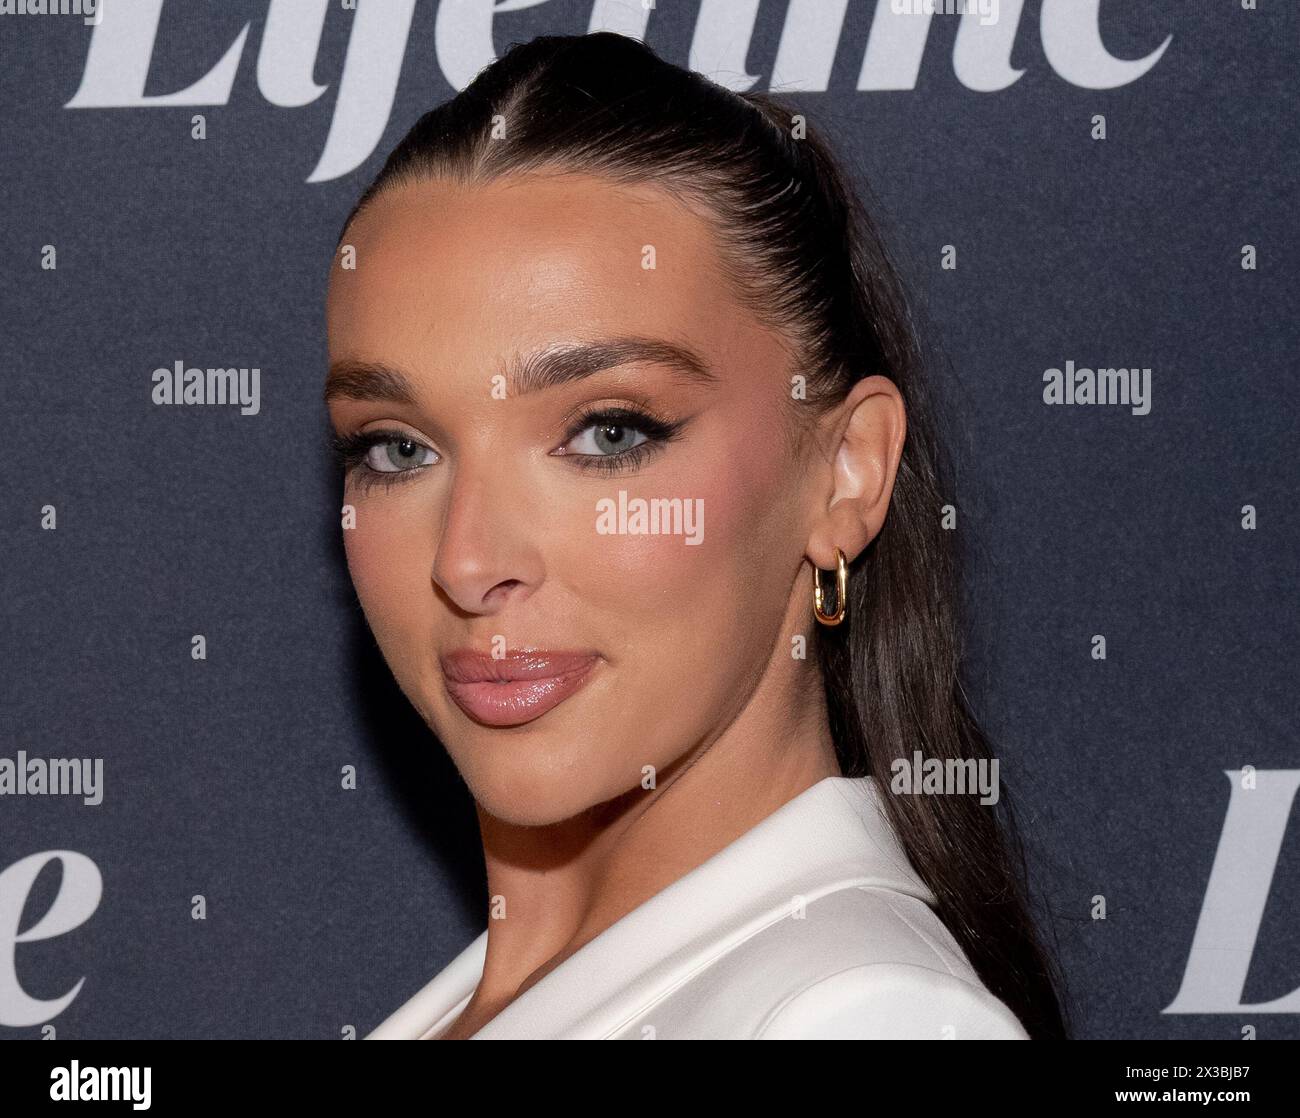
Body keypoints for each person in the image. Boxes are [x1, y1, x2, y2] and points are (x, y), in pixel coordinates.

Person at [324, 31, 1067, 1040]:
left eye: (608, 432)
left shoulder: (853, 1013)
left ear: (846, 472)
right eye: (399, 449)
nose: (468, 561)